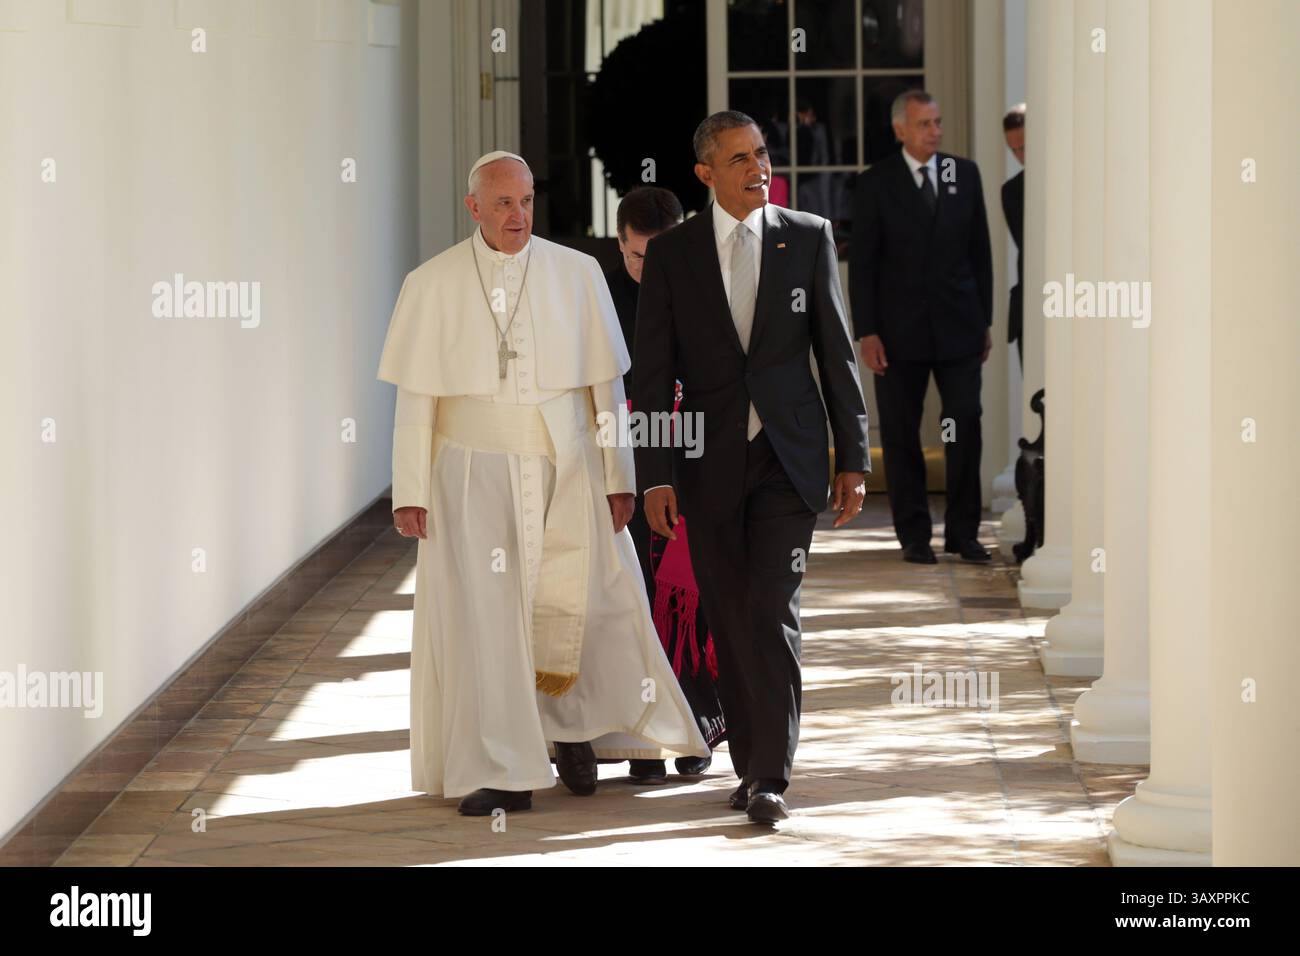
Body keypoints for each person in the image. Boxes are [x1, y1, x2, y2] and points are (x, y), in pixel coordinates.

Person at [377, 150, 709, 817]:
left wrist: (621, 476)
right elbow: (417, 398)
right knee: (489, 622)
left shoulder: (576, 272)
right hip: (472, 474)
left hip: (570, 467)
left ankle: (610, 734)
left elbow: (606, 387)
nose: (517, 215)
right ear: (473, 207)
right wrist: (409, 489)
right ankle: (504, 766)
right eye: (502, 203)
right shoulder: (432, 283)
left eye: (525, 201)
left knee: (603, 605)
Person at [633, 112, 870, 824]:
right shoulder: (673, 254)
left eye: (761, 154)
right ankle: (749, 766)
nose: (757, 168)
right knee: (731, 619)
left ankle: (771, 775)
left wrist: (853, 458)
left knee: (772, 612)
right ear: (706, 173)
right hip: (708, 468)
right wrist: (656, 474)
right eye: (739, 158)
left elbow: (836, 351)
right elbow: (652, 374)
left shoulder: (808, 237)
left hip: (789, 460)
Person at [604, 186, 722, 785]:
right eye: (636, 258)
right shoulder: (598, 295)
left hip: (691, 460)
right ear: (618, 244)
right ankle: (641, 740)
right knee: (634, 605)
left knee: (689, 600)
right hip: (622, 463)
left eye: (660, 255)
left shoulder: (707, 280)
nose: (649, 271)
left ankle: (695, 729)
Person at [849, 89, 995, 566]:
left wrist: (985, 320)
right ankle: (913, 535)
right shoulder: (875, 184)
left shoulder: (964, 174)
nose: (935, 131)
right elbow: (864, 265)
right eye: (924, 124)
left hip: (960, 330)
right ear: (900, 130)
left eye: (937, 121)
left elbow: (981, 255)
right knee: (900, 434)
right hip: (896, 335)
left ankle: (964, 534)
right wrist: (867, 331)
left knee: (964, 424)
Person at [1001, 103, 1026, 368]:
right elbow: (1026, 245)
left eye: (1025, 146)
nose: (1021, 155)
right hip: (1027, 312)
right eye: (1014, 150)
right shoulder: (1011, 191)